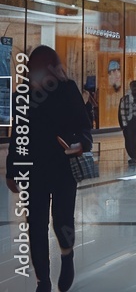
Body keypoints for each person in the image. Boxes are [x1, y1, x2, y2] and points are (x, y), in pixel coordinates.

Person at [6, 45, 93, 292]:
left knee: (62, 219)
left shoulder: (67, 90)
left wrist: (79, 144)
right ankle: (42, 280)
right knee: (36, 223)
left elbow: (85, 128)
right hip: (34, 170)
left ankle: (67, 255)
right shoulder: (21, 96)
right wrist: (12, 168)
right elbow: (18, 136)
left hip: (64, 167)